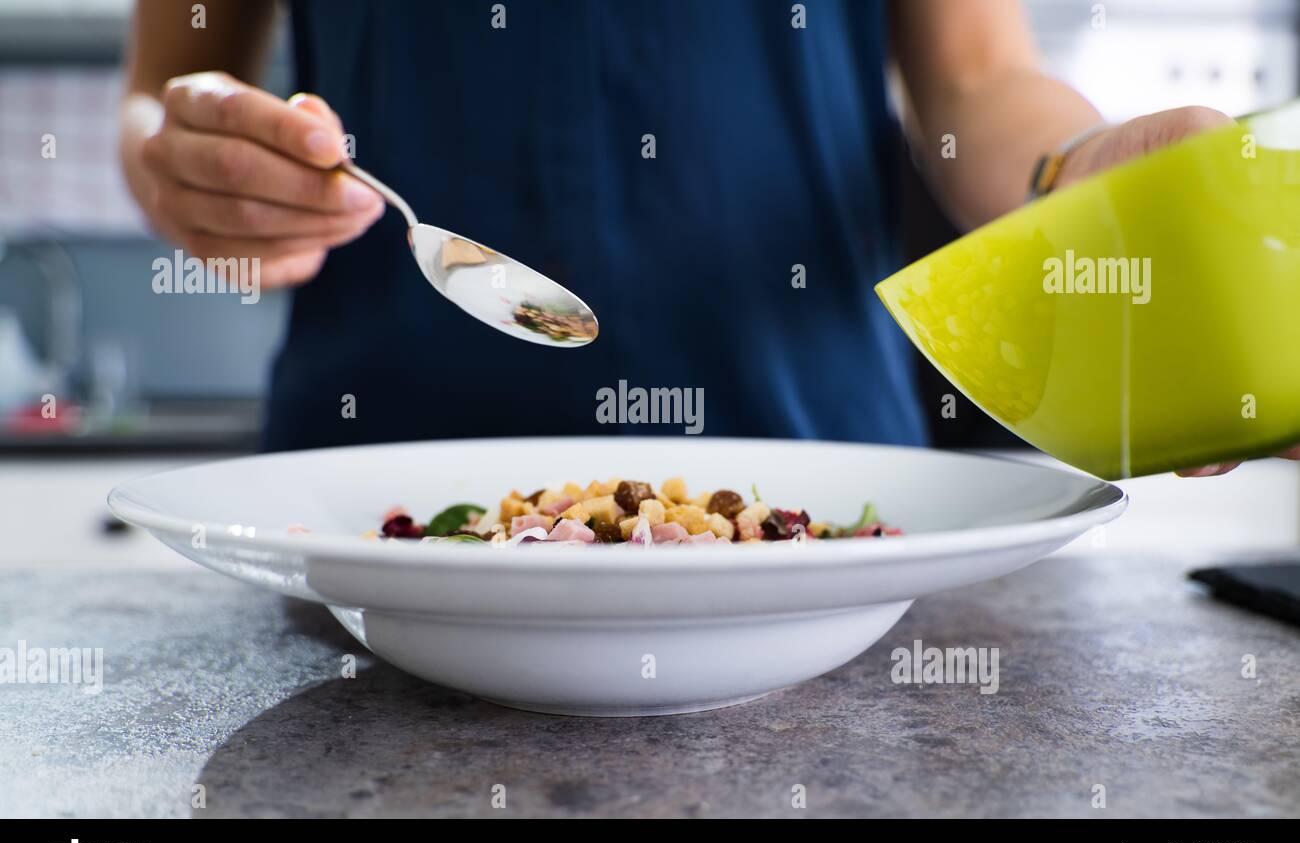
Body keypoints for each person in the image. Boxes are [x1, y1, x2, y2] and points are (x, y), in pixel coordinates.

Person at [118, 0, 1296, 474]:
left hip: (820, 487)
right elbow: (163, 85)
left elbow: (978, 78)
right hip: (369, 494)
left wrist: (1077, 181)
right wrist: (194, 170)